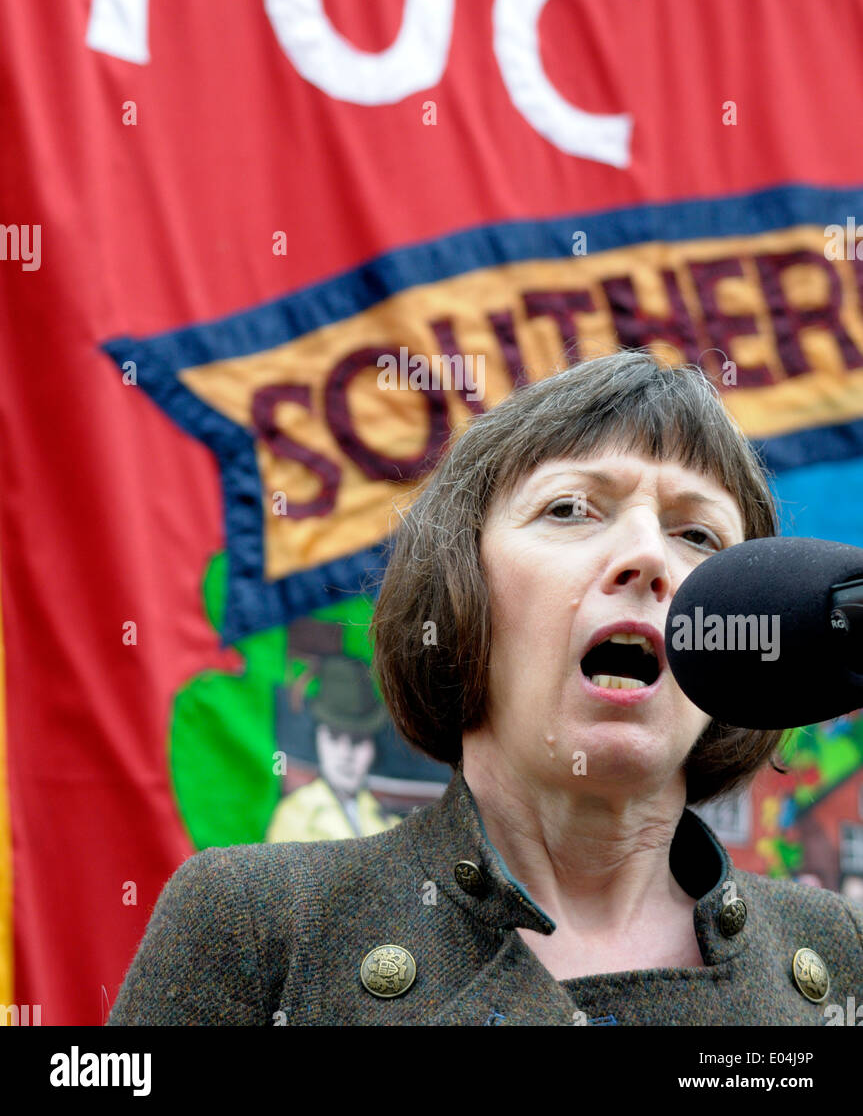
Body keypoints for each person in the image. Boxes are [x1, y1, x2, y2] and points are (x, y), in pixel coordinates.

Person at [107, 351, 863, 1025]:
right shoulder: (257, 925)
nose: (645, 556)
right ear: (458, 595)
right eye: (569, 508)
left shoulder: (833, 954)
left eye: (698, 535)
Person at [265, 655, 401, 843]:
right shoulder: (294, 815)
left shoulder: (390, 824)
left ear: (373, 749)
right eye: (334, 737)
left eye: (357, 741)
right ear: (317, 741)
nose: (346, 755)